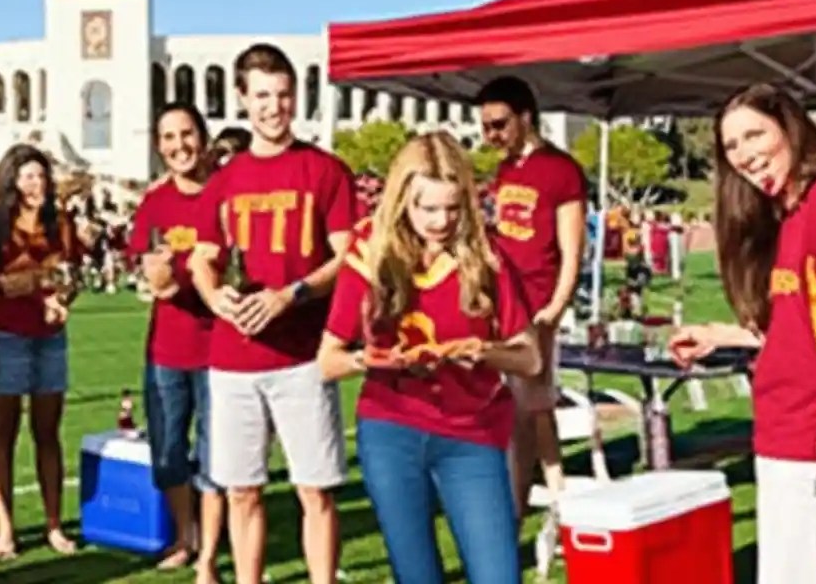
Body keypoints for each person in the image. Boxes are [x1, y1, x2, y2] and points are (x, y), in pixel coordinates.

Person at [670, 83, 816, 584]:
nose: (744, 155)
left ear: (789, 126)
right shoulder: (790, 211)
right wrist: (721, 334)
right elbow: (800, 326)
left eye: (755, 135)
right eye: (732, 146)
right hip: (785, 430)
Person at [318, 131, 540, 583]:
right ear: (403, 201)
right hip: (392, 430)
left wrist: (485, 352)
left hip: (471, 432)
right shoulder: (369, 251)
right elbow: (328, 360)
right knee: (415, 573)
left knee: (499, 574)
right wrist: (369, 360)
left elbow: (530, 358)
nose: (441, 221)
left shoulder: (487, 256)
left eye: (452, 209)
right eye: (428, 209)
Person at [189, 43, 353, 584]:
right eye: (262, 96)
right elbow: (203, 259)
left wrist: (291, 294)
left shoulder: (325, 170)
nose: (273, 107)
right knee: (241, 491)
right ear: (242, 98)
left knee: (315, 490)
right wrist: (215, 297)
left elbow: (346, 256)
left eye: (282, 95)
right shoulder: (224, 179)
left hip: (302, 356)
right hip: (233, 361)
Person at [476, 76, 587, 519]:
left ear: (525, 117)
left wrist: (555, 308)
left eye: (499, 124)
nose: (491, 135)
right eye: (485, 126)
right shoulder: (505, 170)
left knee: (528, 408)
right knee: (513, 406)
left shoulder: (560, 170)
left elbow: (572, 250)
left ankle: (516, 508)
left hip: (538, 303)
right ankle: (534, 493)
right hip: (501, 302)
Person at [129, 103, 225, 583]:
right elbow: (142, 262)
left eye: (186, 134)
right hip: (167, 348)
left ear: (202, 138)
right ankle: (185, 536)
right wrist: (155, 273)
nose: (179, 145)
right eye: (168, 137)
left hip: (220, 347)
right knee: (168, 449)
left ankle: (210, 548)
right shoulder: (155, 202)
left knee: (216, 452)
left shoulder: (224, 193)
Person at [0, 143, 82, 559]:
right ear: (12, 180)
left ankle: (54, 524)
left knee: (48, 433)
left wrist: (64, 298)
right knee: (2, 433)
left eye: (41, 176)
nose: (36, 184)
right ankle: (5, 528)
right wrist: (22, 284)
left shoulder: (60, 223)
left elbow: (72, 275)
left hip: (50, 336)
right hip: (7, 335)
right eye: (27, 176)